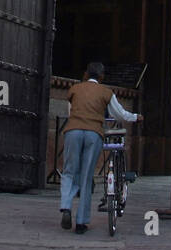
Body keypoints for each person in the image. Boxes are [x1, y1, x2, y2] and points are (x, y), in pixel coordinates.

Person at [59, 61, 141, 233]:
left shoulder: (74, 89)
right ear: (102, 76)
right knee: (87, 176)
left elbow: (70, 111)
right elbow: (119, 113)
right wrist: (135, 117)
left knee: (69, 171)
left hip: (73, 130)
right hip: (93, 133)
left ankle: (66, 206)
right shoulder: (106, 92)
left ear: (86, 74)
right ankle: (81, 223)